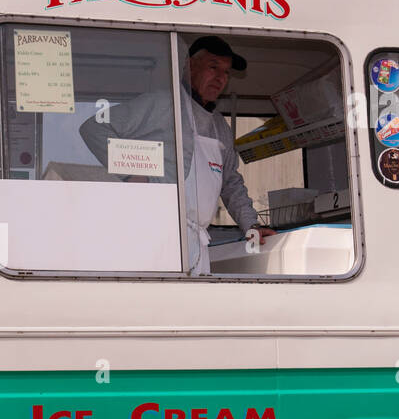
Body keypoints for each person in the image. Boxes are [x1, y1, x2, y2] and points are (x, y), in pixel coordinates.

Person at [79, 34, 274, 275]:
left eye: (226, 72)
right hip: (155, 235)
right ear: (190, 65)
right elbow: (95, 128)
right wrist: (129, 174)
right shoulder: (163, 105)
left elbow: (231, 183)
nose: (220, 78)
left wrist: (251, 225)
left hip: (196, 244)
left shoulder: (220, 127)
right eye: (213, 67)